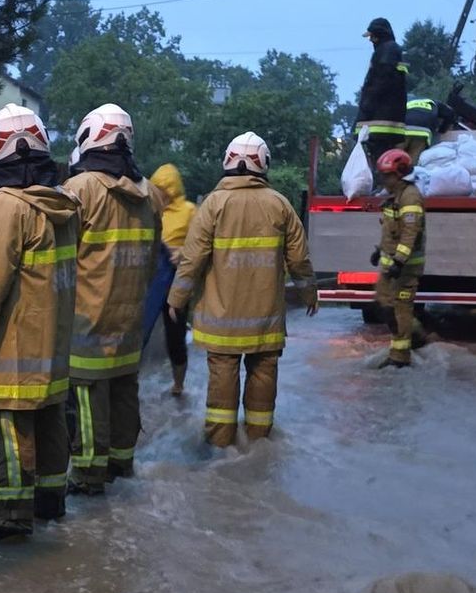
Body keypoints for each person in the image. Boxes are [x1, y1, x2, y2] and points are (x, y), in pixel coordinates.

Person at [169, 132, 316, 447]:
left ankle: (221, 448)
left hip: (223, 321)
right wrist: (309, 294)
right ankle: (258, 444)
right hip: (266, 320)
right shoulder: (280, 205)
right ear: (264, 165)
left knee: (223, 376)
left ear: (227, 161)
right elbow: (299, 259)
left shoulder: (213, 204)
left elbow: (192, 259)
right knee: (264, 374)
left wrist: (176, 299)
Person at [0, 104, 78, 536]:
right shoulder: (67, 207)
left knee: (10, 449)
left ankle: (12, 526)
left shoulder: (6, 208)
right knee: (51, 441)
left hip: (10, 364)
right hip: (52, 359)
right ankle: (50, 510)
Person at [61, 104, 159, 492]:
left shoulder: (80, 190)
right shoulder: (149, 194)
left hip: (88, 321)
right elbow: (150, 262)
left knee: (86, 401)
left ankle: (88, 477)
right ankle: (122, 467)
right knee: (123, 394)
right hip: (129, 321)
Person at [143, 163, 195, 396]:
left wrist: (181, 252)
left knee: (175, 334)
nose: (159, 194)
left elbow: (200, 245)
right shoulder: (148, 210)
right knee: (139, 330)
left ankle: (178, 383)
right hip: (151, 278)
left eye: (163, 190)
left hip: (177, 279)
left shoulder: (189, 211)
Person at [373, 148, 427, 367]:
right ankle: (416, 336)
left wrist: (398, 261)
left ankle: (400, 356)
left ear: (399, 174)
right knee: (384, 304)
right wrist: (380, 250)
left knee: (401, 309)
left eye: (387, 175)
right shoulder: (396, 196)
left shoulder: (410, 197)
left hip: (405, 269)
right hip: (392, 266)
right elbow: (391, 230)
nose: (384, 180)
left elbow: (409, 233)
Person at [357, 17, 412, 168]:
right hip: (388, 117)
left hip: (380, 119)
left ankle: (381, 185)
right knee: (383, 155)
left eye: (372, 36)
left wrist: (367, 105)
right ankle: (382, 185)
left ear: (380, 35)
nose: (371, 40)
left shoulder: (387, 50)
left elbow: (382, 80)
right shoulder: (391, 50)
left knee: (381, 157)